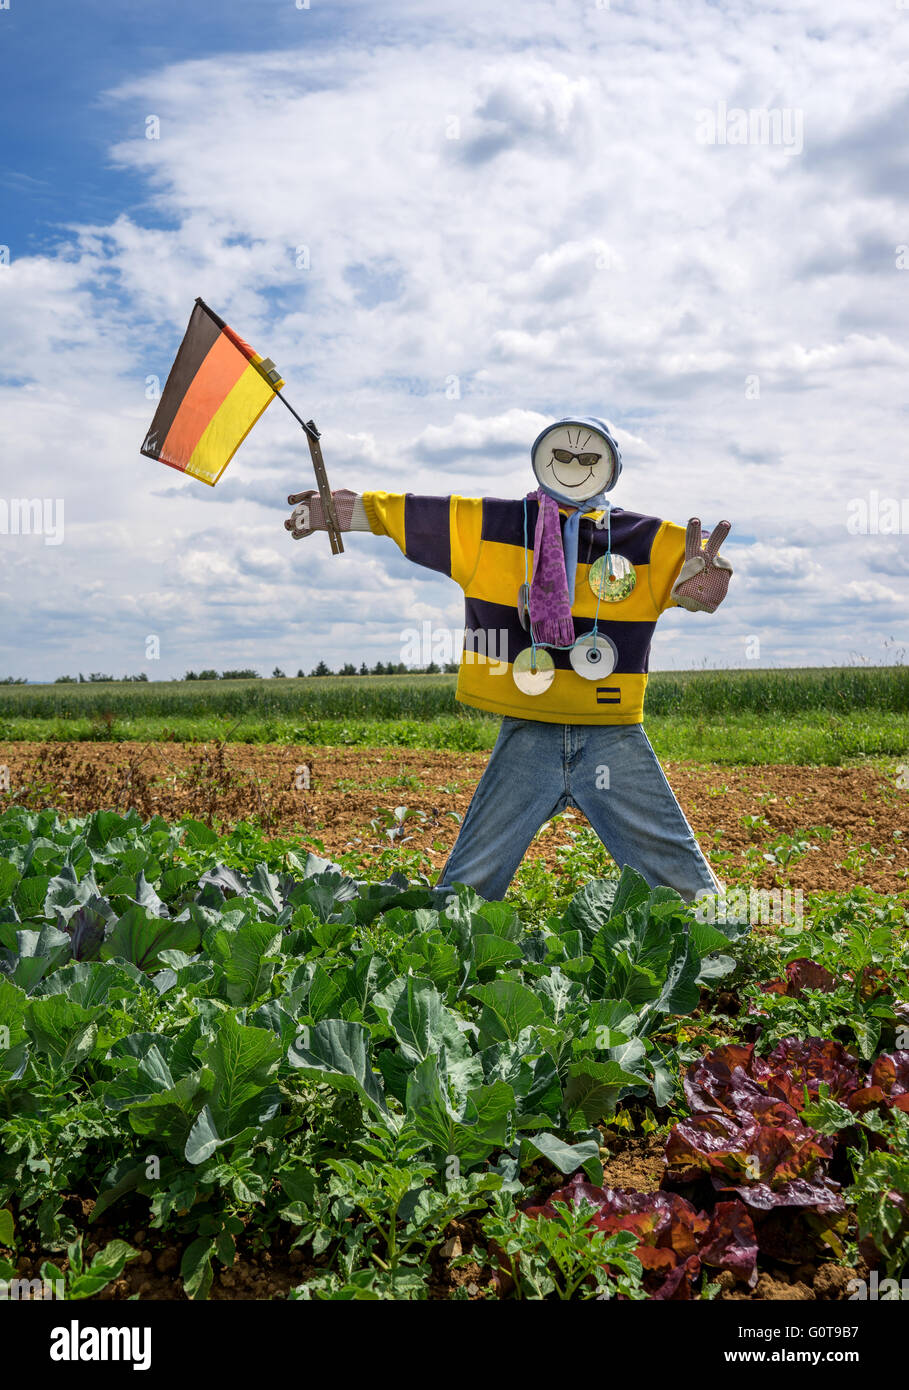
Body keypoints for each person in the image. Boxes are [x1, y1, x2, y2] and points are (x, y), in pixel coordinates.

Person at [285, 416, 733, 903]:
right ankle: (447, 954)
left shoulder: (646, 540)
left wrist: (704, 587)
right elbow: (422, 515)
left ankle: (731, 950)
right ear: (542, 459)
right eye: (562, 456)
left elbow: (701, 573)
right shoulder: (496, 526)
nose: (573, 467)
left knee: (689, 891)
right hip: (529, 734)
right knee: (467, 891)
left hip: (611, 734)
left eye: (588, 459)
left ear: (611, 466)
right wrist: (348, 510)